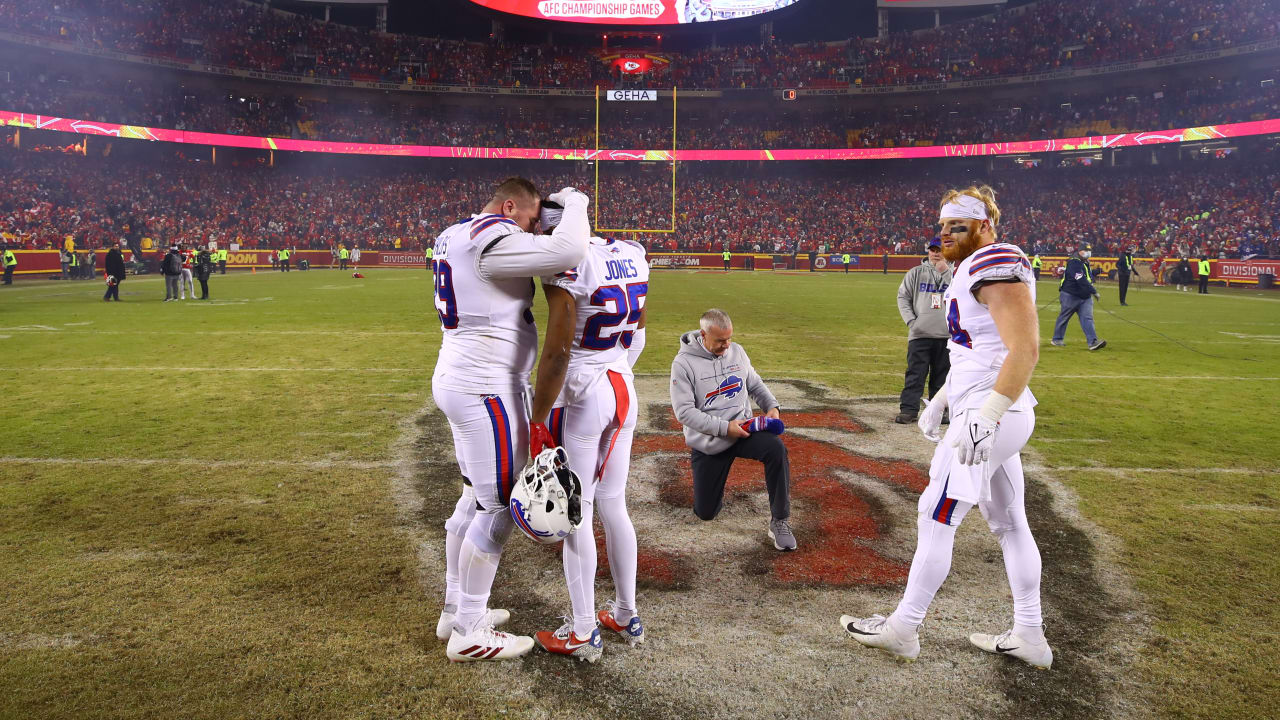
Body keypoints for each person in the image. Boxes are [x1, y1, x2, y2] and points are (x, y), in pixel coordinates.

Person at [841, 184, 1052, 670]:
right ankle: (1030, 634)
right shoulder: (971, 267)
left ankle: (903, 628)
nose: (944, 234)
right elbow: (979, 351)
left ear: (984, 225)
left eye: (956, 225)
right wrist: (940, 399)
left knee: (936, 514)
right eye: (941, 226)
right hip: (990, 411)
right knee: (1009, 522)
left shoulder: (994, 260)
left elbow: (1025, 350)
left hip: (992, 416)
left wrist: (987, 413)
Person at [432, 178, 592, 663]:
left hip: (461, 377)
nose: (532, 230)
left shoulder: (455, 232)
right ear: (508, 207)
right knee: (499, 506)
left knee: (473, 495)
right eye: (528, 219)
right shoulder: (492, 239)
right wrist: (576, 202)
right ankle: (468, 630)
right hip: (485, 388)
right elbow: (570, 246)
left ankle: (454, 607)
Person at [528, 215, 650, 663]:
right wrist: (615, 366)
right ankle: (624, 612)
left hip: (584, 394)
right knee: (614, 505)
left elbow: (559, 351)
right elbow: (638, 333)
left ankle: (583, 630)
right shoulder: (630, 253)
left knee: (574, 514)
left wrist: (537, 419)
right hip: (622, 386)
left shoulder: (568, 262)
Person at [670, 309, 796, 551]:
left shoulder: (736, 351)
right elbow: (684, 413)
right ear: (703, 335)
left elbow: (755, 383)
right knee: (705, 513)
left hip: (744, 430)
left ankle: (780, 520)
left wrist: (771, 406)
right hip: (710, 440)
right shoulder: (683, 364)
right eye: (720, 341)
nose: (727, 345)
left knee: (775, 448)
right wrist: (725, 428)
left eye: (729, 338)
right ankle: (711, 498)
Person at [895, 237, 953, 424]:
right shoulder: (915, 273)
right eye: (933, 249)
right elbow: (903, 297)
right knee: (915, 374)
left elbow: (964, 293)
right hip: (920, 334)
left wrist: (945, 273)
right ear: (928, 251)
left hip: (947, 334)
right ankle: (909, 410)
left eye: (940, 249)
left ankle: (939, 412)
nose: (936, 253)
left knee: (942, 377)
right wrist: (911, 321)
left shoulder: (957, 274)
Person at [1051, 244, 1106, 350]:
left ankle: (1093, 342)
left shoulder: (1084, 262)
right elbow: (1080, 278)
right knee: (1064, 317)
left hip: (1085, 296)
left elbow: (1087, 276)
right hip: (1071, 294)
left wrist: (1096, 272)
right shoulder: (1074, 262)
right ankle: (1057, 339)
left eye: (1089, 250)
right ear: (1080, 251)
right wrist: (1093, 291)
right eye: (1085, 250)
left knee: (1087, 318)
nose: (1088, 252)